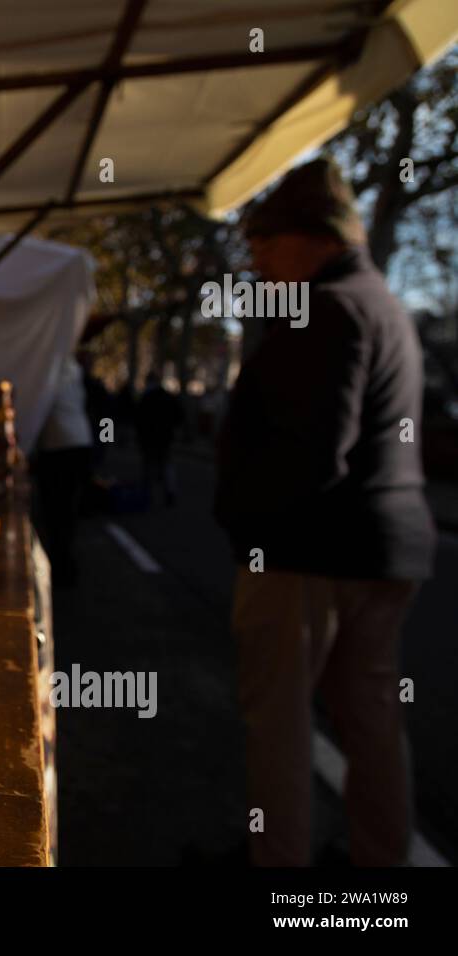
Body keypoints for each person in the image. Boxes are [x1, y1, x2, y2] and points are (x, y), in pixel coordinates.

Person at [214, 158, 436, 867]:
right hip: (387, 546)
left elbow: (311, 456)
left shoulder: (327, 307)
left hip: (311, 554)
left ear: (316, 239)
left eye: (265, 246)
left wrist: (244, 525)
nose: (258, 263)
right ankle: (382, 867)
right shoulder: (385, 303)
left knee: (279, 726)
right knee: (370, 721)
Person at [34, 355, 94, 586]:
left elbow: (37, 408)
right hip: (79, 441)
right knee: (66, 508)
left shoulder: (50, 366)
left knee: (56, 508)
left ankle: (61, 565)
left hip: (58, 446)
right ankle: (64, 562)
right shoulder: (72, 369)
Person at [135, 371, 184, 506]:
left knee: (149, 465)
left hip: (149, 437)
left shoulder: (146, 398)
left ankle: (147, 493)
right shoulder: (168, 397)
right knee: (166, 464)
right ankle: (170, 492)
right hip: (165, 436)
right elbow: (179, 415)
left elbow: (139, 419)